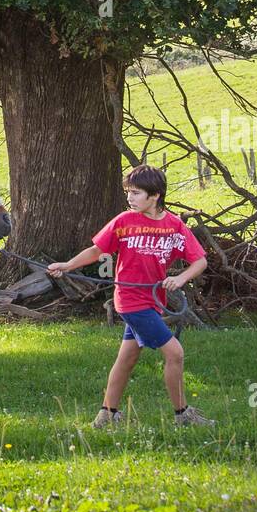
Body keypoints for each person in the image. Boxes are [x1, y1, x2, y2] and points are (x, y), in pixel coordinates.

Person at [47, 165, 214, 428]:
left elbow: (200, 260)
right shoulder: (124, 221)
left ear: (155, 195)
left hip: (152, 300)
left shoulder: (174, 226)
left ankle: (106, 415)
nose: (129, 198)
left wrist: (180, 278)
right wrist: (67, 266)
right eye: (129, 192)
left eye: (136, 193)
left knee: (127, 358)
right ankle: (183, 415)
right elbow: (96, 250)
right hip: (130, 300)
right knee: (175, 353)